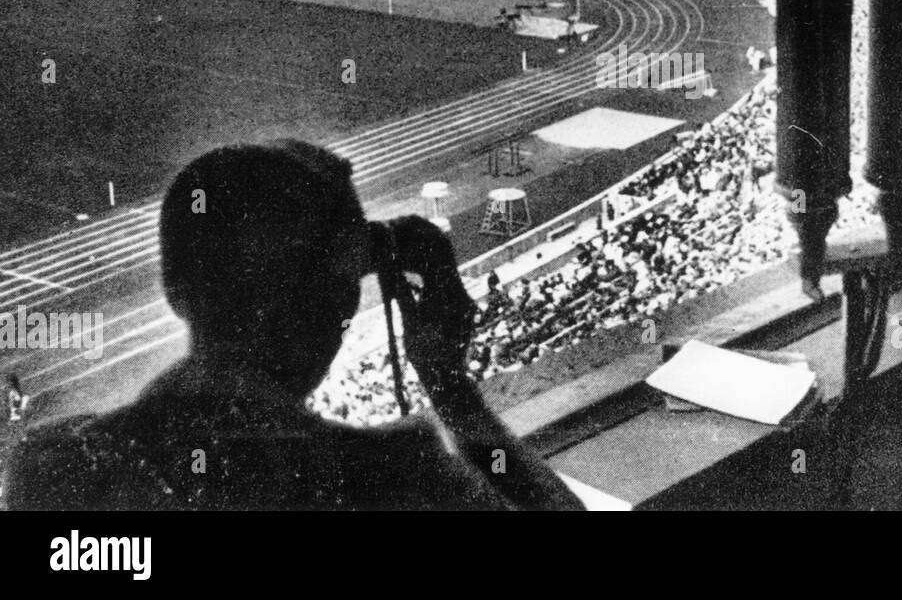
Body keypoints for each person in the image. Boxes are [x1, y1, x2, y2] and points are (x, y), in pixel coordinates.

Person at [2, 141, 582, 510]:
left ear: (174, 290)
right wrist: (453, 391)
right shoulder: (393, 479)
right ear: (339, 303)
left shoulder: (52, 467)